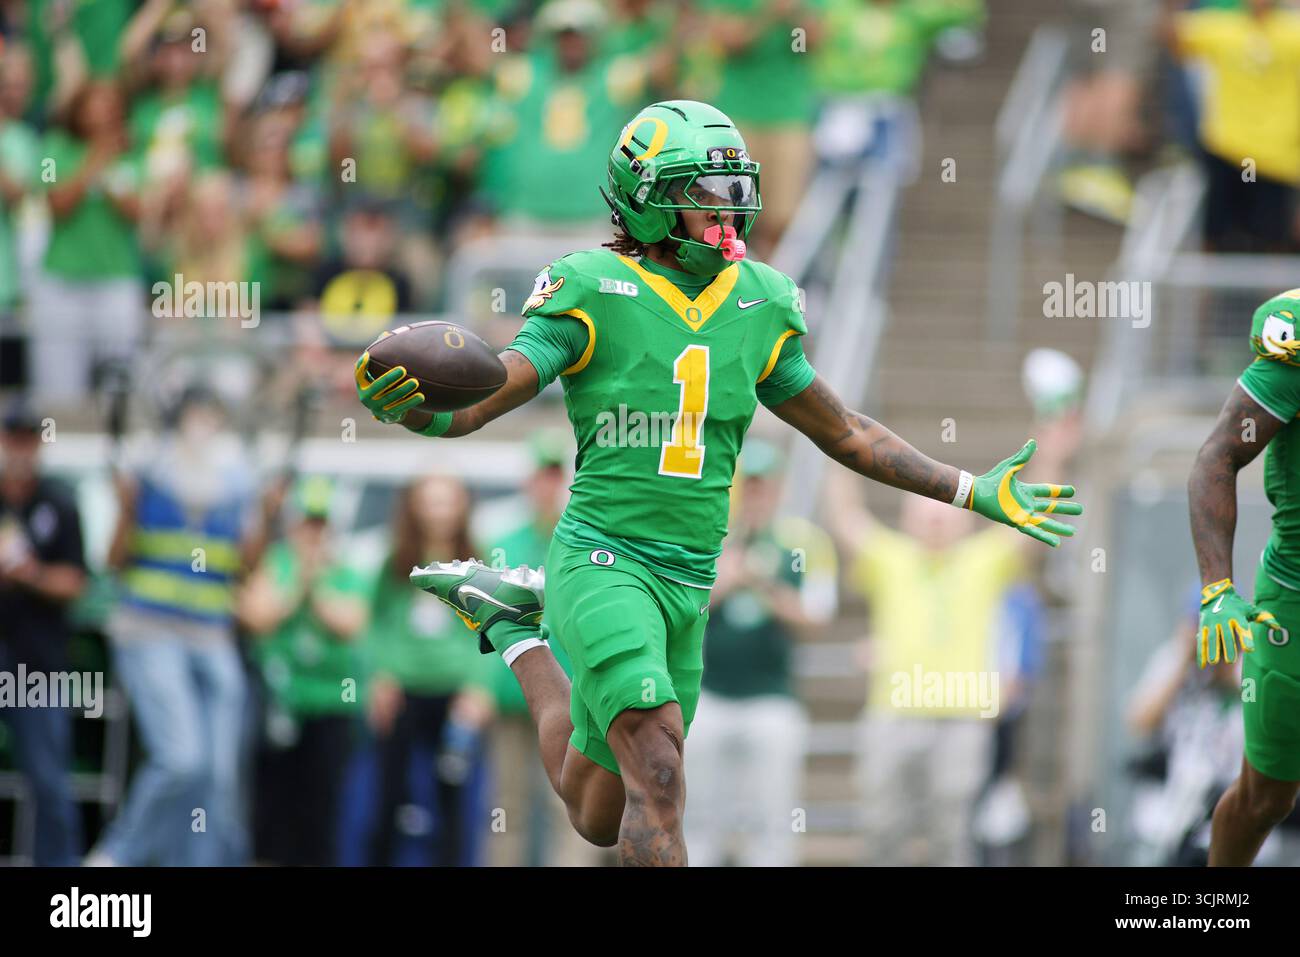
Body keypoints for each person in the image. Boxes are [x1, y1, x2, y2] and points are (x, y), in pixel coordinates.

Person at [356, 99, 1082, 866]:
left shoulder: (760, 299)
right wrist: (428, 417)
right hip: (606, 560)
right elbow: (489, 394)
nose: (727, 209)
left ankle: (516, 630)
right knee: (662, 778)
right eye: (703, 190)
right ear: (644, 198)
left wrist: (971, 490)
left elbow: (846, 431)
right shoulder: (592, 288)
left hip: (691, 580)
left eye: (735, 188)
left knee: (598, 809)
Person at [89, 384, 281, 866]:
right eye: (195, 414)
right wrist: (127, 507)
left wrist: (267, 518)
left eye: (210, 415)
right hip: (150, 629)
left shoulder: (236, 482)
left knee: (217, 774)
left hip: (212, 635)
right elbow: (114, 561)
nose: (202, 425)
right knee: (181, 759)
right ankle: (117, 855)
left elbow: (244, 569)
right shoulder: (150, 471)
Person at [1187, 288, 1300, 865]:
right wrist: (1216, 588)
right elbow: (1217, 456)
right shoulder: (1295, 333)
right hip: (1295, 603)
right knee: (1266, 798)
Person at [684, 439, 836, 866]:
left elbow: (816, 619)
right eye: (749, 486)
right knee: (700, 818)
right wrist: (728, 582)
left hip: (772, 699)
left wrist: (765, 587)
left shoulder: (802, 544)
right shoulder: (710, 541)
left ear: (779, 487)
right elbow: (682, 611)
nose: (756, 495)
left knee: (772, 821)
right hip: (709, 696)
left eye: (764, 486)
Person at [365, 473, 495, 867]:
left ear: (462, 507)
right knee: (389, 796)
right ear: (414, 506)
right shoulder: (397, 560)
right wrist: (379, 675)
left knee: (453, 801)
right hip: (403, 694)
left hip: (454, 698)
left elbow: (489, 630)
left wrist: (478, 687)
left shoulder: (477, 562)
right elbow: (375, 623)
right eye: (430, 500)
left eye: (447, 501)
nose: (439, 511)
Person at [240, 477, 370, 867]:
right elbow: (257, 618)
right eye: (308, 522)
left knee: (322, 813)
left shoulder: (346, 571)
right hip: (279, 708)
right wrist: (299, 582)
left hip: (330, 708)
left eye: (321, 523)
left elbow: (351, 623)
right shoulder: (275, 564)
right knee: (272, 812)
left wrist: (315, 589)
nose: (314, 533)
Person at [0, 398, 87, 865]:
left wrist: (29, 574)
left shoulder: (60, 501)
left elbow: (76, 580)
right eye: (12, 437)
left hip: (39, 661)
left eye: (27, 438)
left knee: (50, 782)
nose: (19, 448)